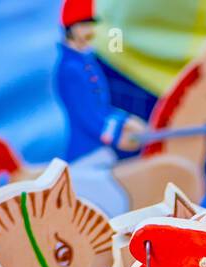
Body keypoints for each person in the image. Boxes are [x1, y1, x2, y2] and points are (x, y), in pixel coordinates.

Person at [54, 0, 146, 161]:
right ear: (71, 29)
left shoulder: (87, 60)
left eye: (91, 24)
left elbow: (103, 107)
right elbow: (87, 115)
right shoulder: (71, 69)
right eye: (84, 25)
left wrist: (126, 120)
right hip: (88, 150)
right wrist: (117, 132)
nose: (90, 30)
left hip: (101, 145)